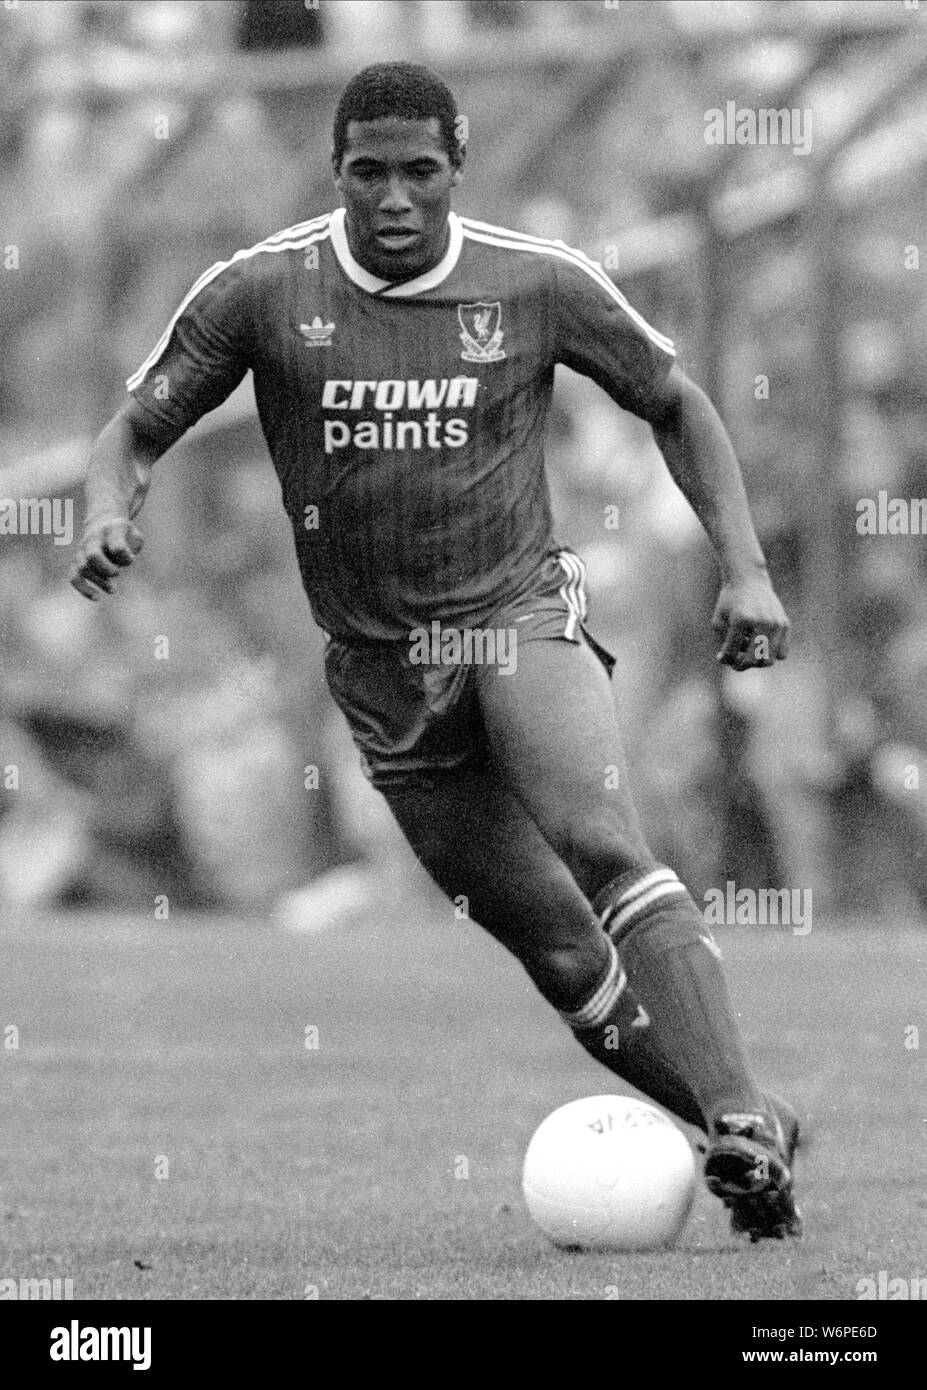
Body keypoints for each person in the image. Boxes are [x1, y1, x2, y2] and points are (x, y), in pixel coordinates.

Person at [70, 62, 801, 1240]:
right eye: (371, 172)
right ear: (338, 170)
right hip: (378, 673)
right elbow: (136, 426)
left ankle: (740, 1122)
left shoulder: (537, 281)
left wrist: (749, 569)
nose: (395, 198)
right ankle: (757, 1128)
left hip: (515, 615)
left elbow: (675, 398)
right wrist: (110, 510)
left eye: (420, 171)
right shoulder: (262, 289)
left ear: (458, 167)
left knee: (602, 839)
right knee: (563, 957)